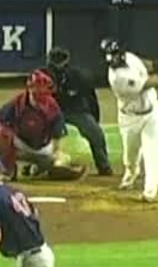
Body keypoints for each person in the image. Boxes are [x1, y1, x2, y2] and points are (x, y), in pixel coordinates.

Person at [0, 68, 70, 180]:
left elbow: (57, 140)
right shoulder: (17, 103)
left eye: (44, 93)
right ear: (29, 89)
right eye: (37, 92)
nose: (40, 96)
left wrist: (57, 157)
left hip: (42, 149)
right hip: (20, 146)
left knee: (60, 159)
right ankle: (8, 170)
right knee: (0, 132)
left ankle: (38, 168)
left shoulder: (54, 109)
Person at [101, 37, 158, 202]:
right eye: (110, 56)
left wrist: (157, 63)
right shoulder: (117, 78)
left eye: (115, 54)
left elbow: (144, 64)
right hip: (130, 119)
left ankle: (150, 191)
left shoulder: (129, 57)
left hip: (152, 114)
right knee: (130, 154)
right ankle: (131, 173)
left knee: (151, 153)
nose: (113, 59)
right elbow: (151, 82)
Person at [45, 46, 113, 176]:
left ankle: (103, 165)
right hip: (51, 112)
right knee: (38, 132)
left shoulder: (79, 77)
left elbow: (91, 98)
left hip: (75, 110)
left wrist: (95, 119)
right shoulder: (43, 77)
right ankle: (38, 165)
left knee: (95, 133)